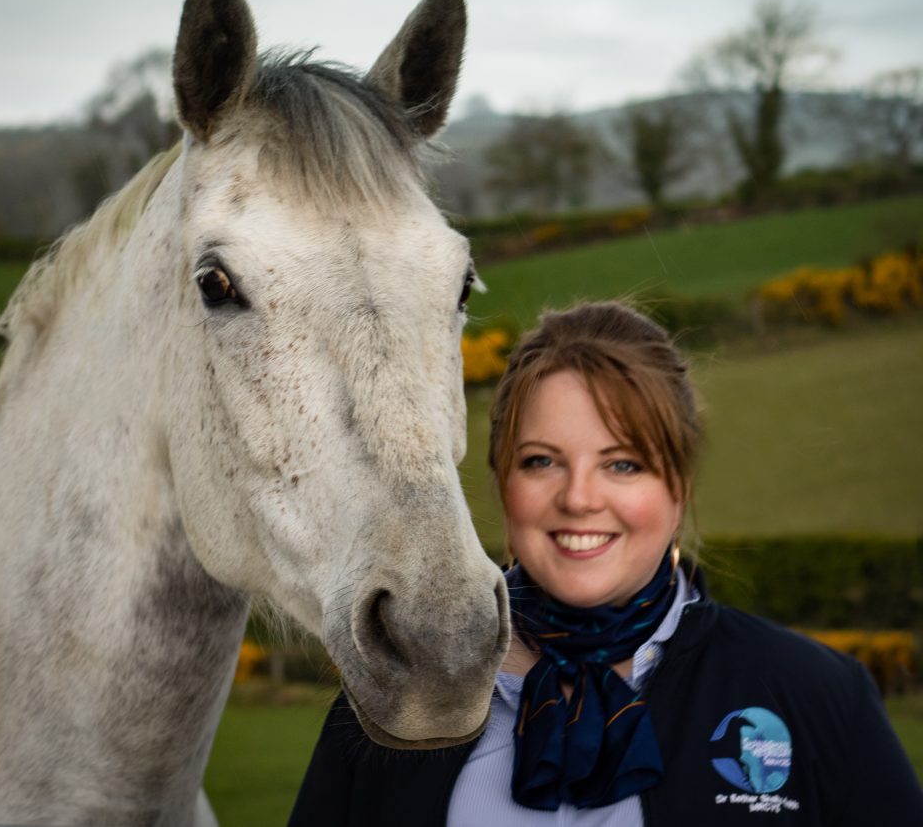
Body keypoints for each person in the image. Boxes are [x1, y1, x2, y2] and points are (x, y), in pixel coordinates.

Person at [289, 301, 923, 826]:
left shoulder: (815, 696)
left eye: (623, 463)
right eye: (541, 461)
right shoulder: (390, 707)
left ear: (678, 487)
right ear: (502, 483)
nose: (580, 498)